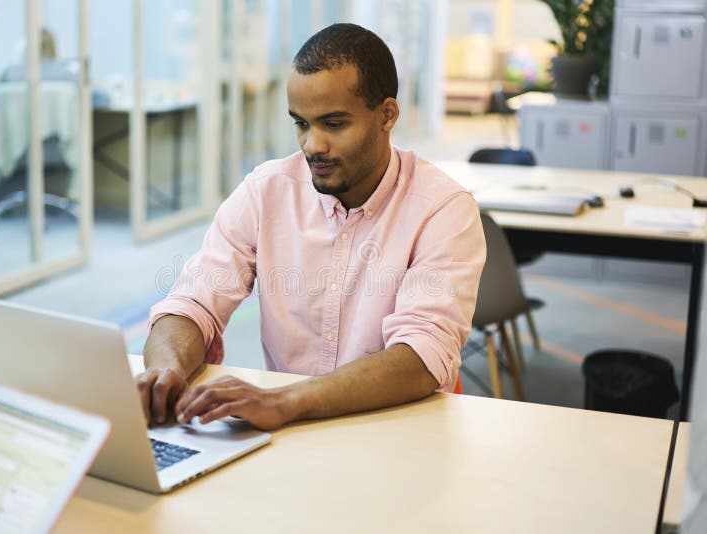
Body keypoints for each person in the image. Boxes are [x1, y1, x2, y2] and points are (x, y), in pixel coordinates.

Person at [137, 23, 486, 431]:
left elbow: (422, 353)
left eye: (333, 124)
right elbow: (194, 301)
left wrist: (285, 401)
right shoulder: (266, 191)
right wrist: (165, 369)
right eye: (301, 124)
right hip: (293, 428)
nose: (312, 145)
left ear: (387, 114)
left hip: (401, 430)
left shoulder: (442, 209)